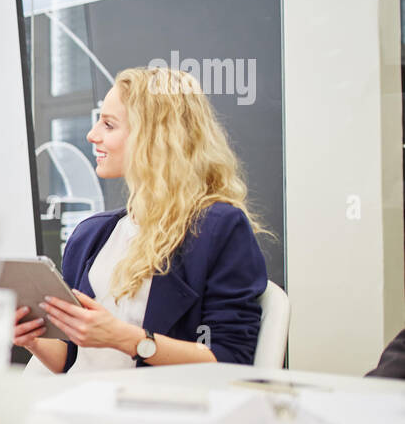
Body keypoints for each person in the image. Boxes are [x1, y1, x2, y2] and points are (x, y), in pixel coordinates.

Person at [14, 66, 269, 373]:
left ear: (156, 137)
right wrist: (33, 339)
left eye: (109, 125)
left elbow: (232, 360)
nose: (92, 135)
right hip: (79, 403)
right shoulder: (90, 235)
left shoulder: (218, 228)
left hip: (152, 411)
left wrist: (127, 339)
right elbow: (67, 359)